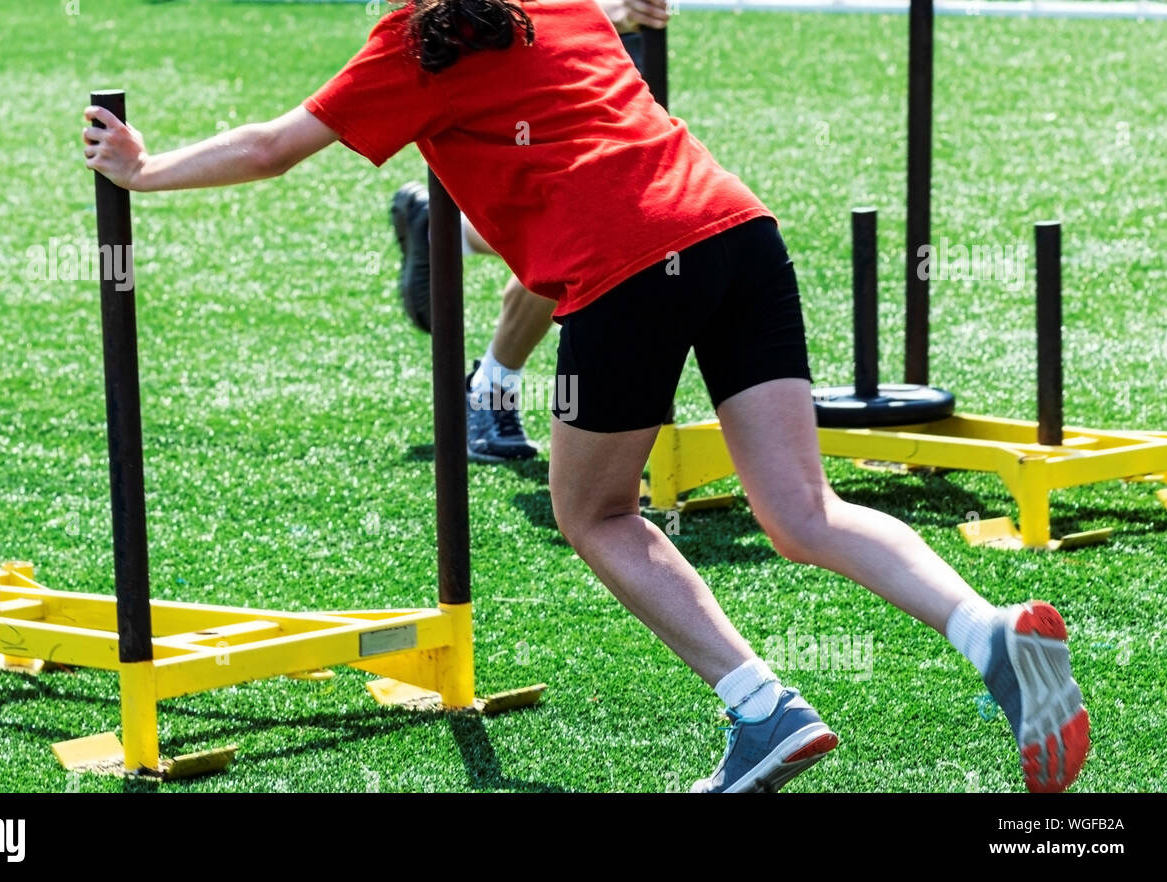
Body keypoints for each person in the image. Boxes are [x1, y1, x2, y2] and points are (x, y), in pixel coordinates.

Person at [82, 0, 1090, 793]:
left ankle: (761, 709)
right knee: (803, 511)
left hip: (622, 275)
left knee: (594, 510)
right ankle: (985, 631)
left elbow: (271, 147)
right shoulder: (548, 5)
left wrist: (147, 168)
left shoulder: (409, 48)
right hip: (740, 233)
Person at [390, 0, 670, 464]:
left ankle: (447, 233)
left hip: (608, 47)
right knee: (576, 222)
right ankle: (490, 391)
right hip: (546, 44)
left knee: (607, 222)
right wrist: (600, 12)